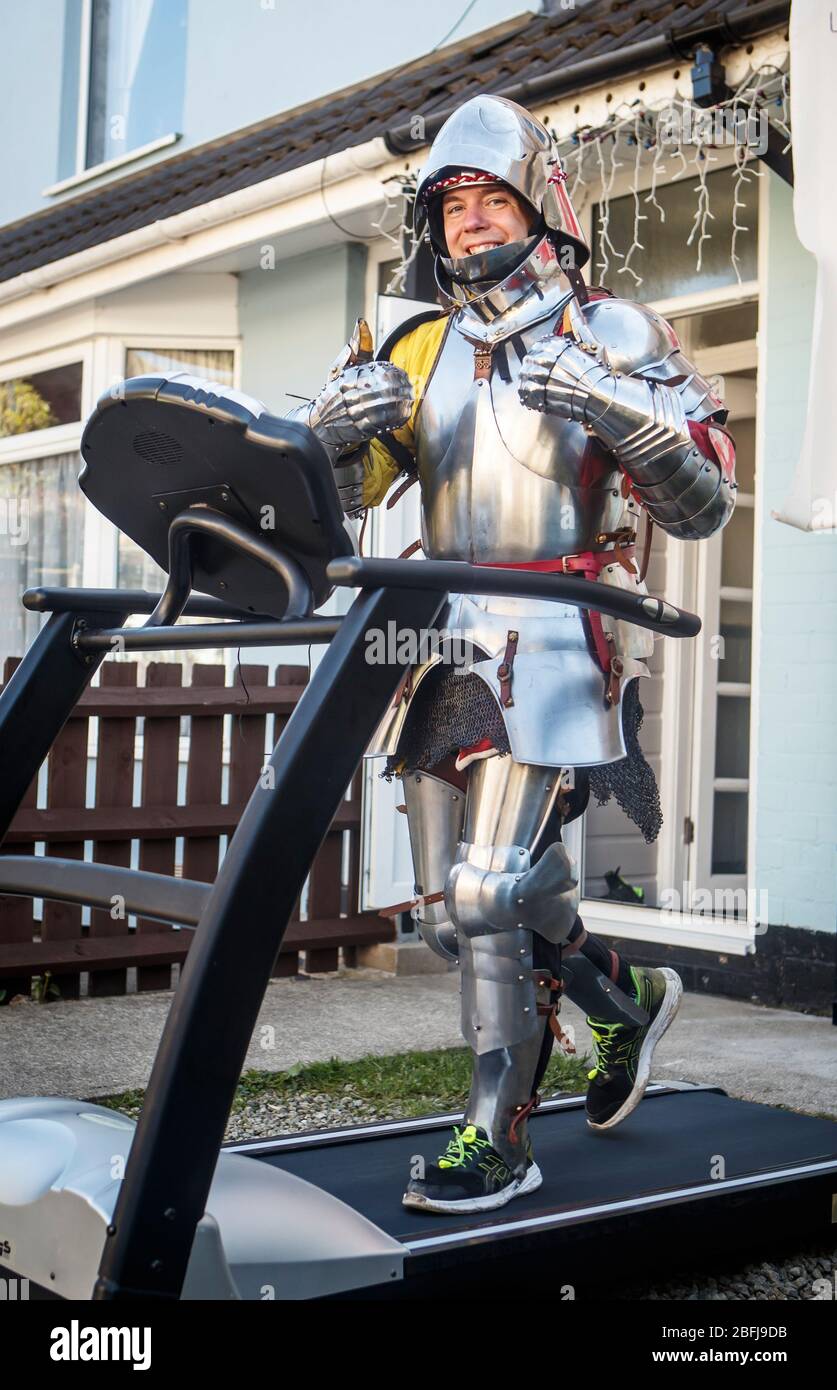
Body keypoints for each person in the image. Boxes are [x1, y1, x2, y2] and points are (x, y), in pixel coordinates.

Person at [292, 95, 737, 1214]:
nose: (475, 223)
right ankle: (625, 1002)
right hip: (440, 640)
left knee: (494, 888)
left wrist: (611, 405)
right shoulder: (416, 342)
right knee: (455, 912)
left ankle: (496, 1133)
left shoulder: (614, 329)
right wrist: (334, 442)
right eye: (455, 206)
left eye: (494, 197)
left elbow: (703, 500)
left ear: (541, 204)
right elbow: (342, 501)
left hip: (552, 634)